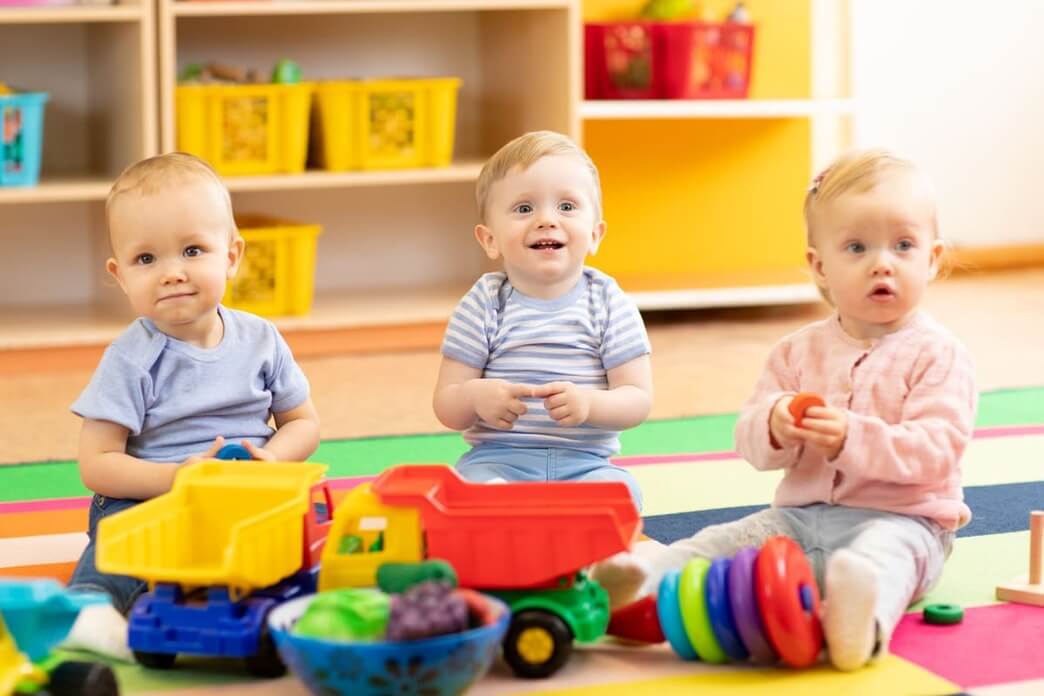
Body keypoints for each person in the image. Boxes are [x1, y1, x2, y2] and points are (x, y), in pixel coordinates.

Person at [592, 149, 977, 670]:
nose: (882, 263)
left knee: (879, 563)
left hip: (906, 523)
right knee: (722, 543)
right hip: (799, 520)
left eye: (903, 245)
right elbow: (750, 443)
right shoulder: (796, 353)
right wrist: (775, 425)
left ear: (931, 258)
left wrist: (851, 439)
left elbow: (936, 451)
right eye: (857, 247)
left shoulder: (939, 354)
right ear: (820, 266)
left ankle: (858, 627)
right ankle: (638, 586)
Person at [64, 152, 321, 659]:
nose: (172, 273)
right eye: (146, 259)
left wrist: (274, 459)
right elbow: (97, 464)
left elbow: (304, 423)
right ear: (120, 275)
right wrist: (176, 479)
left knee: (305, 527)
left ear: (232, 256)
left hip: (245, 493)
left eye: (192, 250)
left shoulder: (261, 338)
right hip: (153, 497)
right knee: (128, 541)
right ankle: (87, 605)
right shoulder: (131, 359)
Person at [432, 131, 653, 509]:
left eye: (567, 206)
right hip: (497, 462)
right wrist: (474, 396)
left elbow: (637, 400)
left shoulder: (609, 302)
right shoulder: (483, 303)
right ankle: (507, 514)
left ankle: (558, 521)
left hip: (586, 465)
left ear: (595, 234)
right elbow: (446, 405)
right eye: (523, 208)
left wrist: (589, 404)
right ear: (489, 240)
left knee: (623, 494)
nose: (547, 220)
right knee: (463, 492)